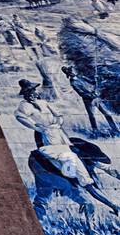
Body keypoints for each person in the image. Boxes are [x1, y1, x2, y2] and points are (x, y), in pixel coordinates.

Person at [15, 79, 120, 214]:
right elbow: (20, 117)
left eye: (33, 91)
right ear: (25, 93)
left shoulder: (43, 103)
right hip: (46, 136)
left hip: (59, 132)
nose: (33, 93)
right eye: (29, 92)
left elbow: (58, 114)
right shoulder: (24, 106)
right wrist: (38, 127)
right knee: (66, 158)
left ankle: (104, 174)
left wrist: (58, 122)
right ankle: (101, 197)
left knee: (83, 150)